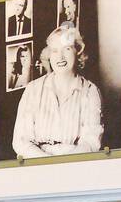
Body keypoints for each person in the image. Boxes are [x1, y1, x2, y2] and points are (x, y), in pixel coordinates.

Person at [11, 25, 103, 159]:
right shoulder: (32, 89)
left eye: (67, 49)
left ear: (77, 51)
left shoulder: (90, 92)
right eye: (54, 50)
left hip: (75, 167)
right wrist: (46, 163)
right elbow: (21, 141)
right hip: (36, 166)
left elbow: (91, 142)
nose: (60, 57)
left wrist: (63, 166)